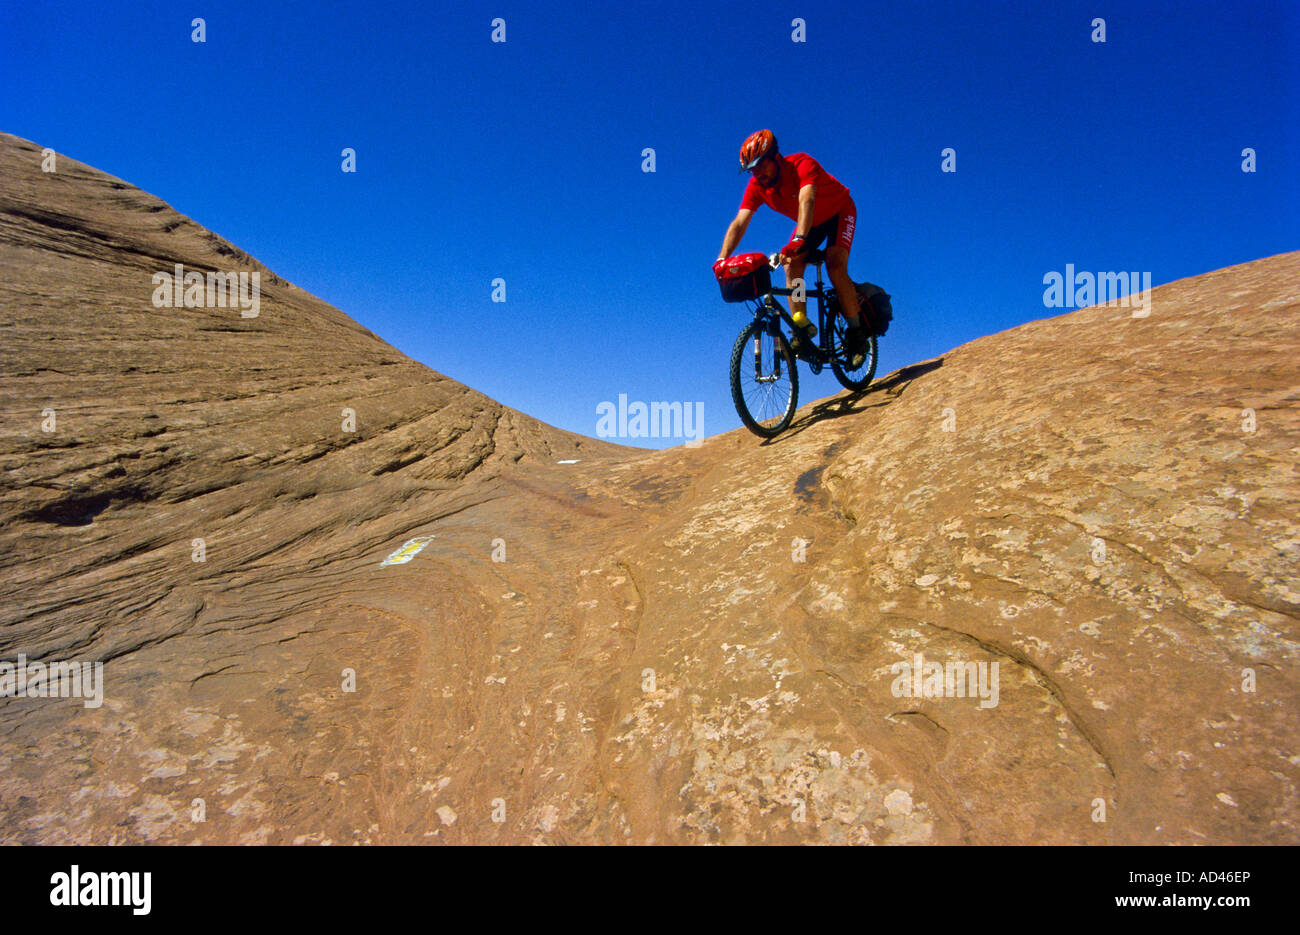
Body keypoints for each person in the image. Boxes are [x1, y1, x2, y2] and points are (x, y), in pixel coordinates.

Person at [714, 129, 867, 367]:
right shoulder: (757, 186)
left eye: (760, 166)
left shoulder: (801, 164)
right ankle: (801, 326)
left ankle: (858, 335)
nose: (757, 174)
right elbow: (740, 222)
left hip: (840, 211)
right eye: (751, 170)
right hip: (812, 223)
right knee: (791, 264)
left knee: (835, 265)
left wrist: (800, 238)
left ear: (775, 157)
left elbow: (807, 200)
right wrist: (722, 259)